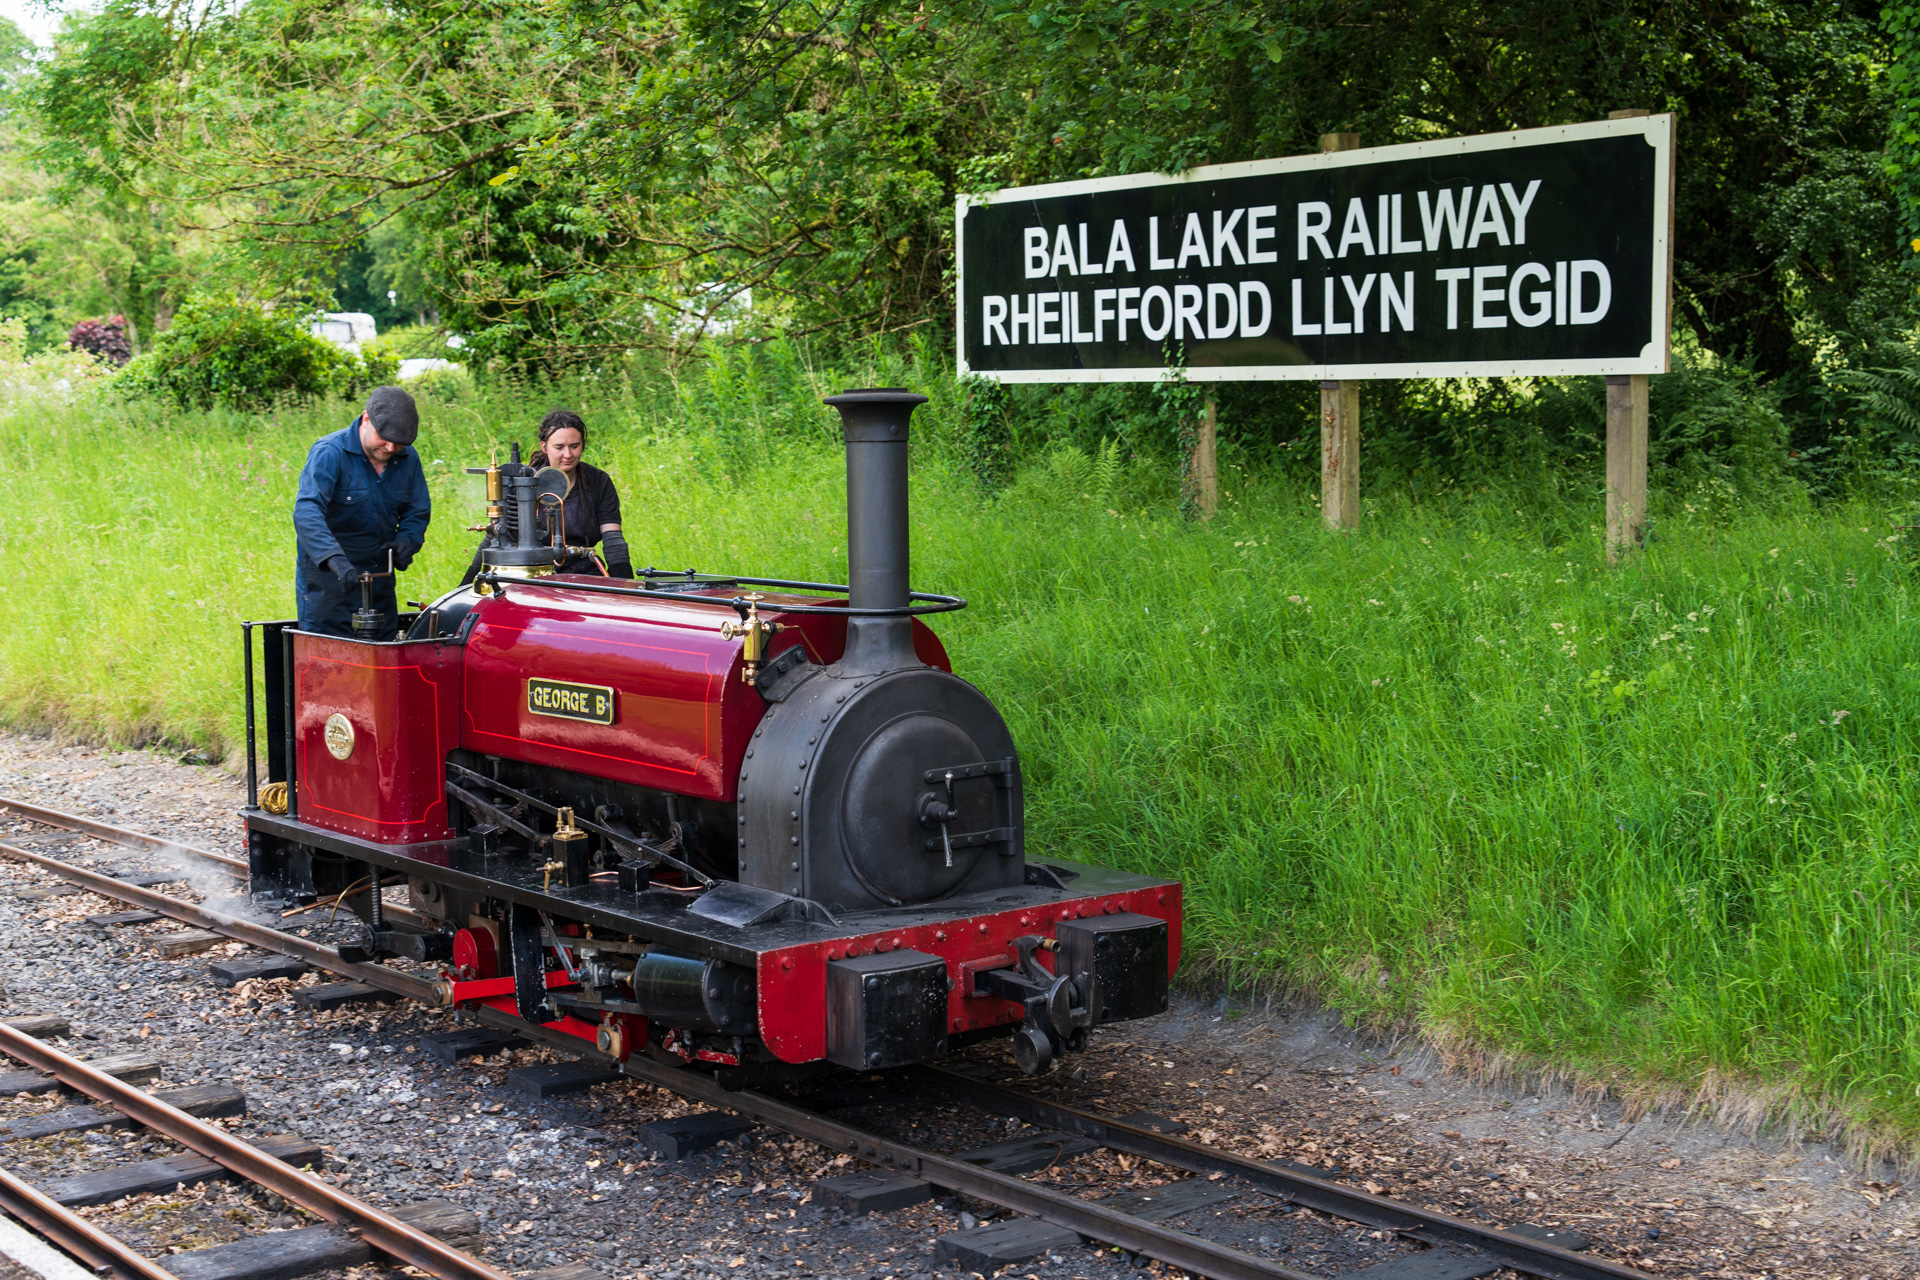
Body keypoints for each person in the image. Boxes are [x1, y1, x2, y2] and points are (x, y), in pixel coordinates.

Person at [293, 386, 431, 638]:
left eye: (399, 443)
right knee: (331, 664)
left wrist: (406, 541)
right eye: (384, 438)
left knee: (381, 664)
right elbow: (307, 511)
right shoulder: (329, 452)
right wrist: (332, 557)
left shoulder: (408, 459)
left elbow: (417, 510)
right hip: (329, 582)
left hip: (380, 582)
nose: (390, 448)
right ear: (366, 418)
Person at [463, 408, 631, 581]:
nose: (568, 454)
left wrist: (627, 586)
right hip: (529, 574)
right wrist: (465, 586)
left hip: (584, 574)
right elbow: (494, 537)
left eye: (574, 446)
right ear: (544, 446)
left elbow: (613, 538)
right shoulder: (523, 482)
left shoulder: (598, 480)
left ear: (584, 444)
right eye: (559, 447)